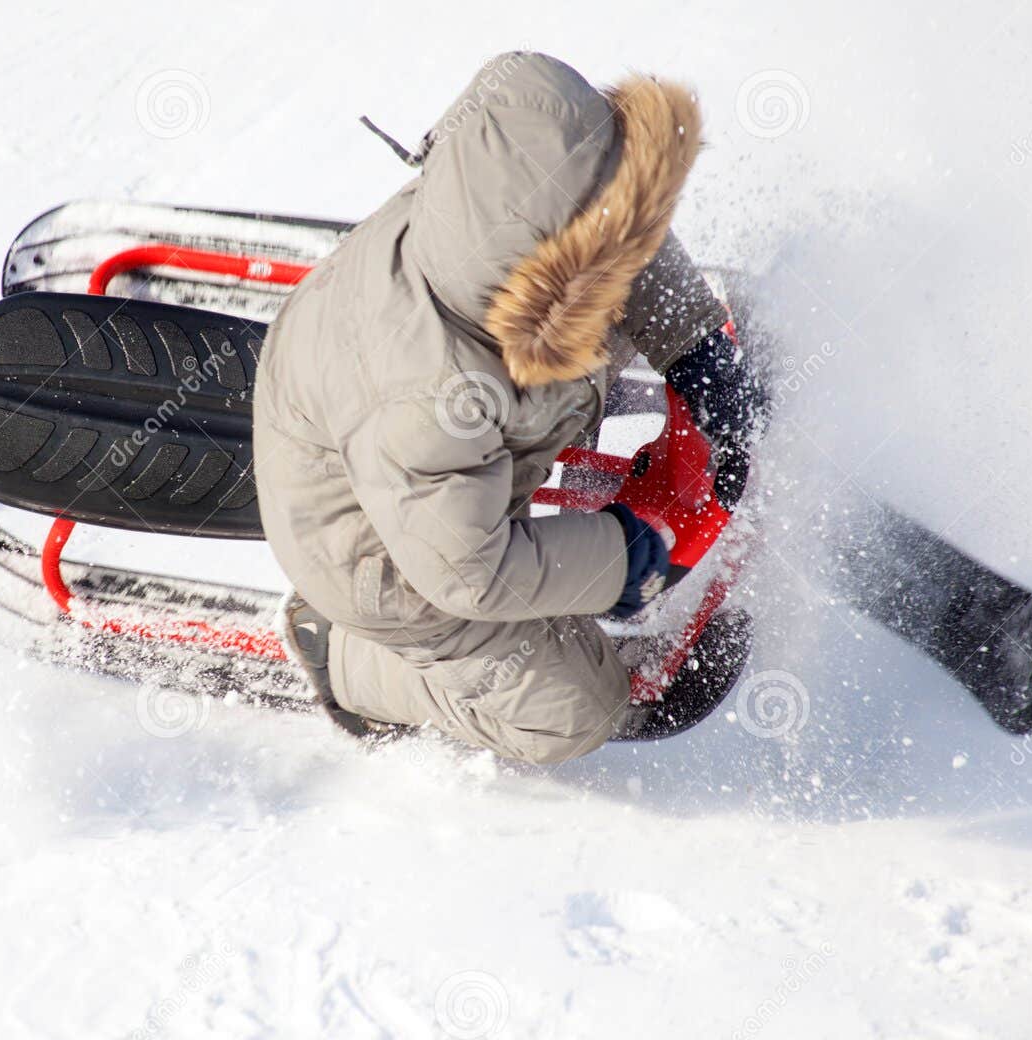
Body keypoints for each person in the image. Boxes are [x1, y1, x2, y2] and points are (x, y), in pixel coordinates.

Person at [254, 52, 760, 763]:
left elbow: (605, 211)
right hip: (386, 560)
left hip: (421, 461)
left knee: (586, 314)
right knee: (577, 711)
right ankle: (340, 656)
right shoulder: (428, 396)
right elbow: (467, 571)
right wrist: (618, 561)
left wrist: (692, 339)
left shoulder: (499, 198)